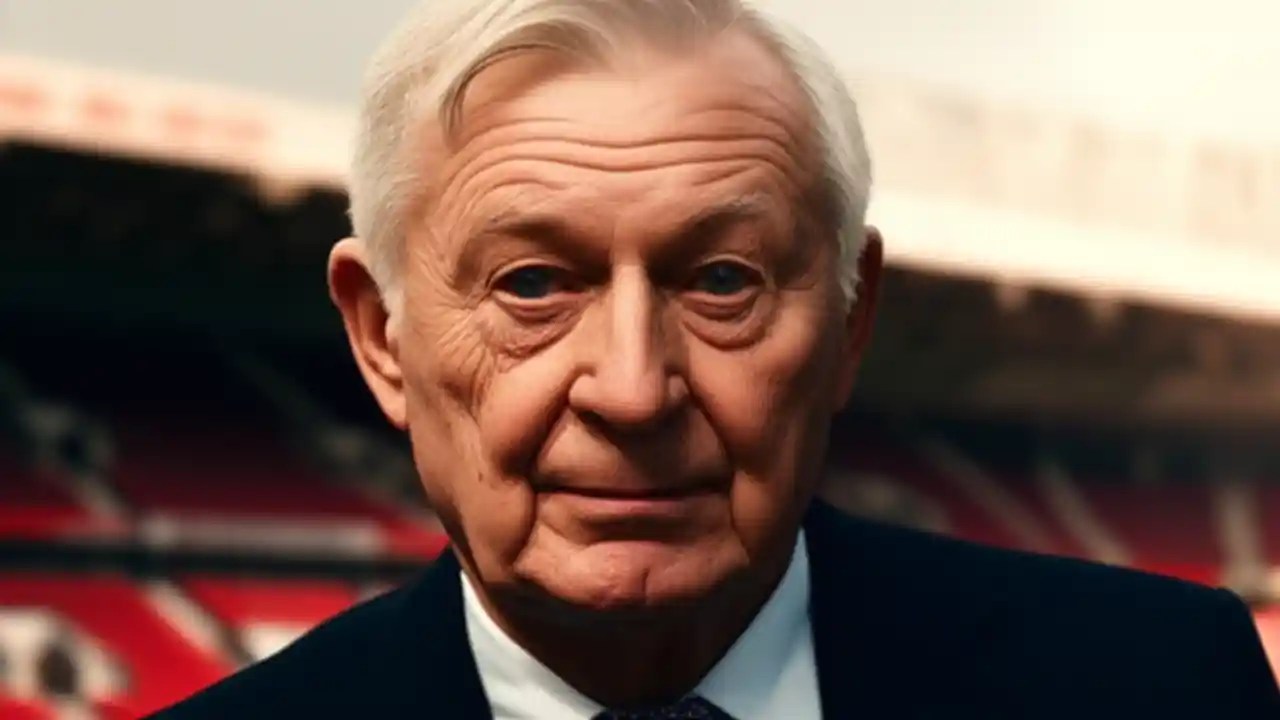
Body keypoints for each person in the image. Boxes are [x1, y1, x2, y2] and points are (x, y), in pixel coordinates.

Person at [152, 1, 1280, 717]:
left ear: (848, 320)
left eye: (722, 281)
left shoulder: (1163, 685)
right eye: (532, 285)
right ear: (381, 337)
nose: (633, 389)